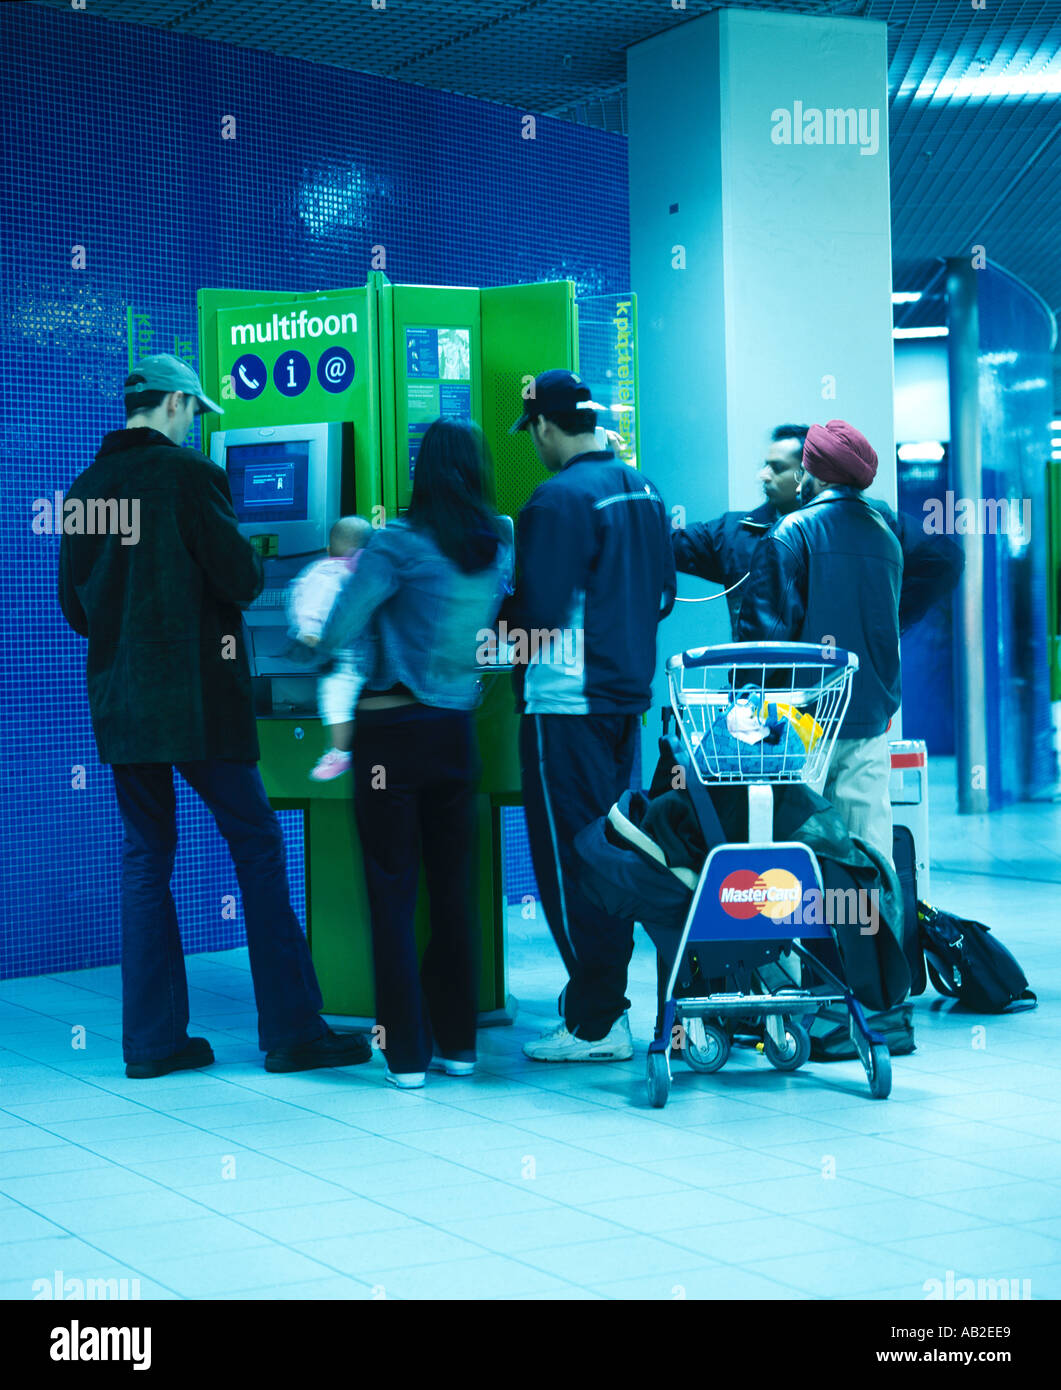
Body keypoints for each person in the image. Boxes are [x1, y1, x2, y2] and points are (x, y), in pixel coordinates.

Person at [58, 354, 372, 1079]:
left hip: (124, 706)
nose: (197, 422)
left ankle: (154, 1042)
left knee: (146, 861)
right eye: (194, 410)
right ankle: (293, 1030)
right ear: (172, 403)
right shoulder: (190, 477)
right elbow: (241, 575)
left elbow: (76, 610)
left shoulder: (84, 491)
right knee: (257, 846)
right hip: (199, 702)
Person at [316, 419, 512, 1090]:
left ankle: (404, 1057)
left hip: (389, 735)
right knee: (453, 896)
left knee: (392, 893)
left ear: (419, 471)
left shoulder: (395, 544)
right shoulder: (497, 542)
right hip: (455, 735)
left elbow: (337, 626)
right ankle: (458, 1046)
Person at [503, 370, 676, 1062]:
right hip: (624, 703)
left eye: (533, 433)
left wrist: (484, 627)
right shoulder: (644, 489)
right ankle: (602, 1006)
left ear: (544, 427)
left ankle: (597, 1020)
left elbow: (538, 619)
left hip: (563, 706)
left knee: (567, 858)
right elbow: (662, 594)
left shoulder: (556, 499)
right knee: (611, 852)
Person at [736, 419, 902, 863]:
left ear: (814, 473)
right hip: (868, 723)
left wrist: (745, 706)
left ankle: (801, 933)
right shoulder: (886, 537)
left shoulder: (791, 532)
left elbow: (764, 643)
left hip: (801, 727)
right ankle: (869, 931)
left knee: (796, 854)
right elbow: (887, 631)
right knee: (868, 857)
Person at [674, 423, 963, 636]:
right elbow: (664, 543)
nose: (763, 475)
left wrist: (885, 622)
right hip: (768, 696)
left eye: (776, 467)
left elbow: (943, 560)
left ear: (807, 472)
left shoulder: (868, 524)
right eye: (765, 465)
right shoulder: (735, 534)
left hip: (841, 692)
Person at [287, 514, 373, 781]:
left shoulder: (320, 572)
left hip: (340, 654)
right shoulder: (367, 571)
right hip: (370, 652)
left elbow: (312, 606)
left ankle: (340, 751)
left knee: (335, 700)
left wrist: (308, 635)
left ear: (327, 550)